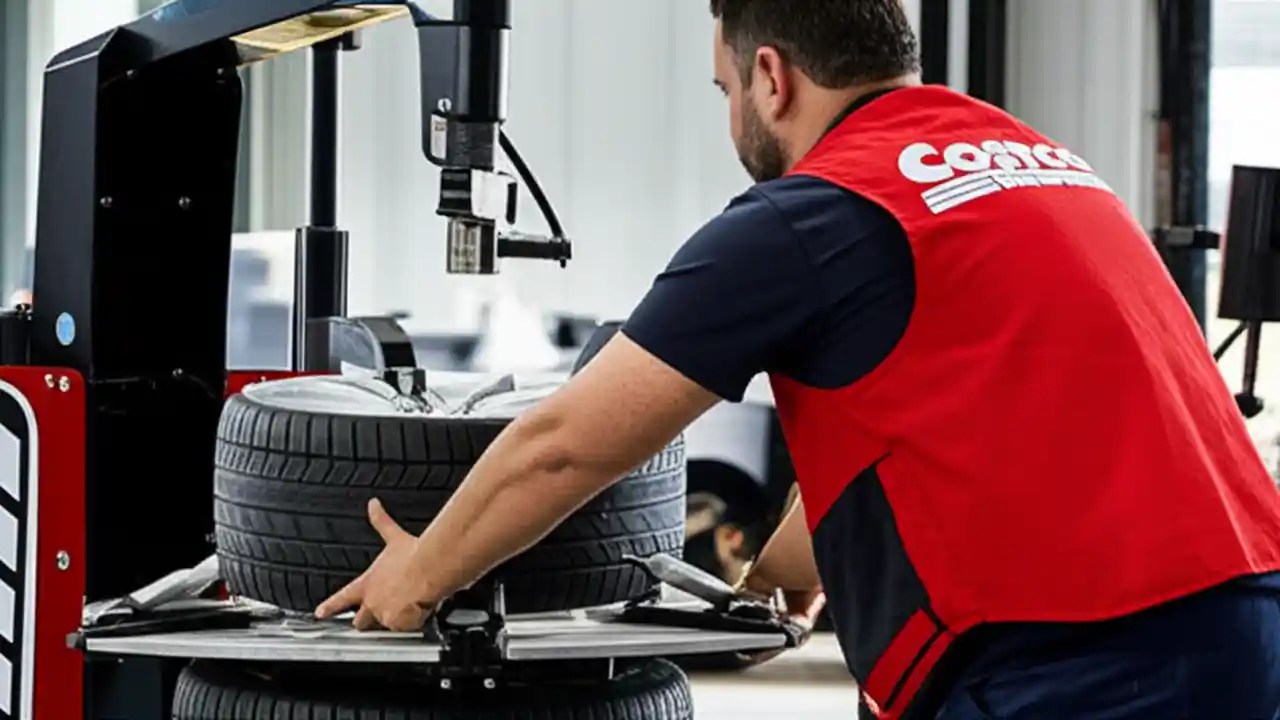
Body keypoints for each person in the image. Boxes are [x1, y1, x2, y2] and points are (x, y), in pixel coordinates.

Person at [315, 1, 1280, 716]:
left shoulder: (807, 217)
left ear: (772, 77)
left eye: (726, 89)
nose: (732, 110)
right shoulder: (1037, 165)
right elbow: (958, 406)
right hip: (1249, 628)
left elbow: (567, 443)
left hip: (1076, 670)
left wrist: (420, 576)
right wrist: (791, 563)